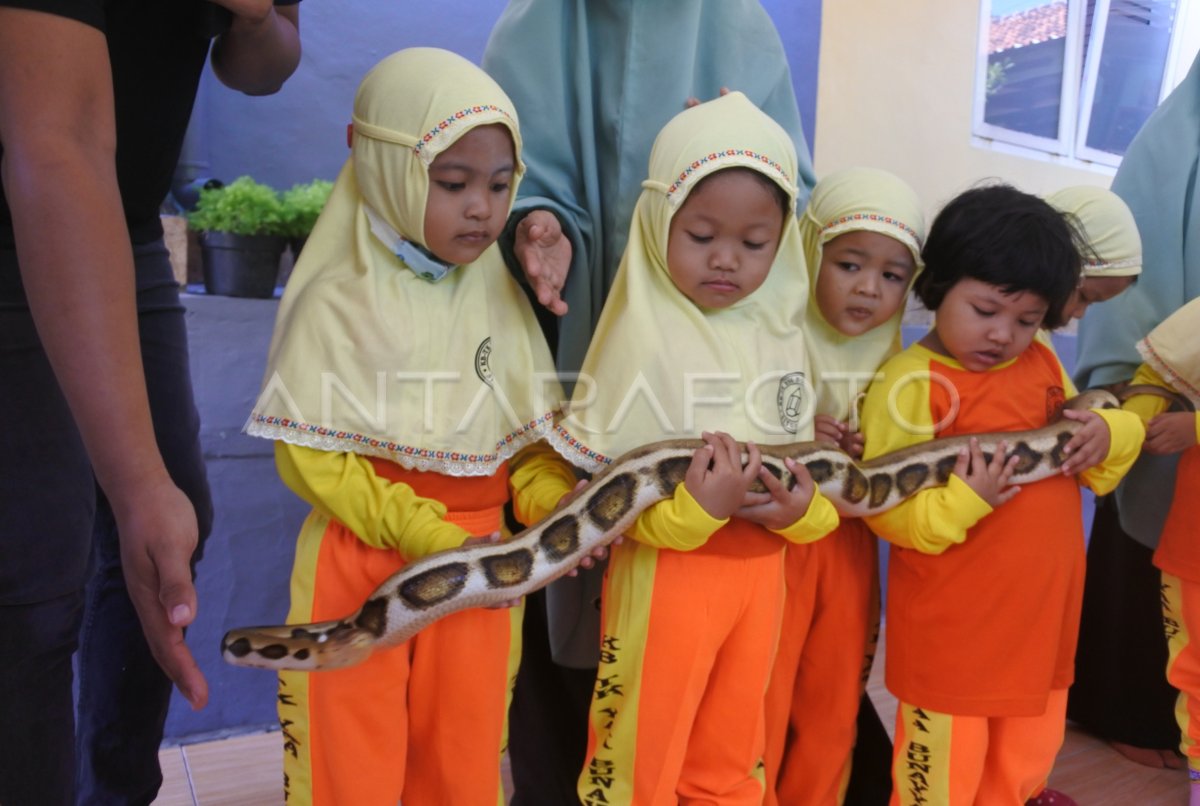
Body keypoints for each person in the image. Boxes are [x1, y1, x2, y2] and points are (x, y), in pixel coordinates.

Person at [480, 5, 825, 800]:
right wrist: (537, 221)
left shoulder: (745, 29)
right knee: (628, 731)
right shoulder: (537, 28)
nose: (728, 260)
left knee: (728, 748)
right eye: (701, 233)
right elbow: (493, 171)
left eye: (748, 243)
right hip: (576, 333)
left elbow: (791, 194)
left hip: (743, 583)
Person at [242, 47, 585, 805]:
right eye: (453, 182)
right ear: (385, 166)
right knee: (348, 763)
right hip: (361, 566)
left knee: (462, 764)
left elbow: (523, 446)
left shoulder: (496, 291)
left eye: (500, 186)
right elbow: (311, 462)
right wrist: (433, 537)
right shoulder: (338, 300)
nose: (481, 209)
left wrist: (549, 501)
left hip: (481, 568)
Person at [0, 3, 300, 804]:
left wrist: (254, 17)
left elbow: (266, 64)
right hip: (25, 198)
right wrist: (135, 484)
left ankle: (117, 790)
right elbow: (54, 140)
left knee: (170, 537)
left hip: (128, 219)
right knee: (34, 582)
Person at [858, 183, 1144, 804]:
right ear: (939, 287)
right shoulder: (911, 383)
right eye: (986, 310)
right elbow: (890, 515)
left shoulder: (1041, 363)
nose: (1004, 335)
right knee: (941, 786)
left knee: (1019, 776)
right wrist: (969, 499)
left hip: (1042, 636)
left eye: (1028, 319)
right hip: (954, 645)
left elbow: (1096, 457)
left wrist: (1110, 429)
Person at [763, 166, 924, 805]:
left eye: (892, 276)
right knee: (763, 698)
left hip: (848, 552)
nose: (869, 289)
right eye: (850, 264)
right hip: (775, 547)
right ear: (808, 253)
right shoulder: (770, 338)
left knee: (833, 702)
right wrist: (797, 432)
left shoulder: (899, 363)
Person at [1067, 51, 1200, 772]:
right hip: (1160, 377)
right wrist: (1139, 375)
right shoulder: (1172, 140)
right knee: (1142, 551)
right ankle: (1131, 713)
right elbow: (1135, 263)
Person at [1128, 296, 1200, 805]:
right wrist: (1119, 430)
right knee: (1194, 671)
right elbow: (1152, 377)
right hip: (1193, 546)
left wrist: (1195, 427)